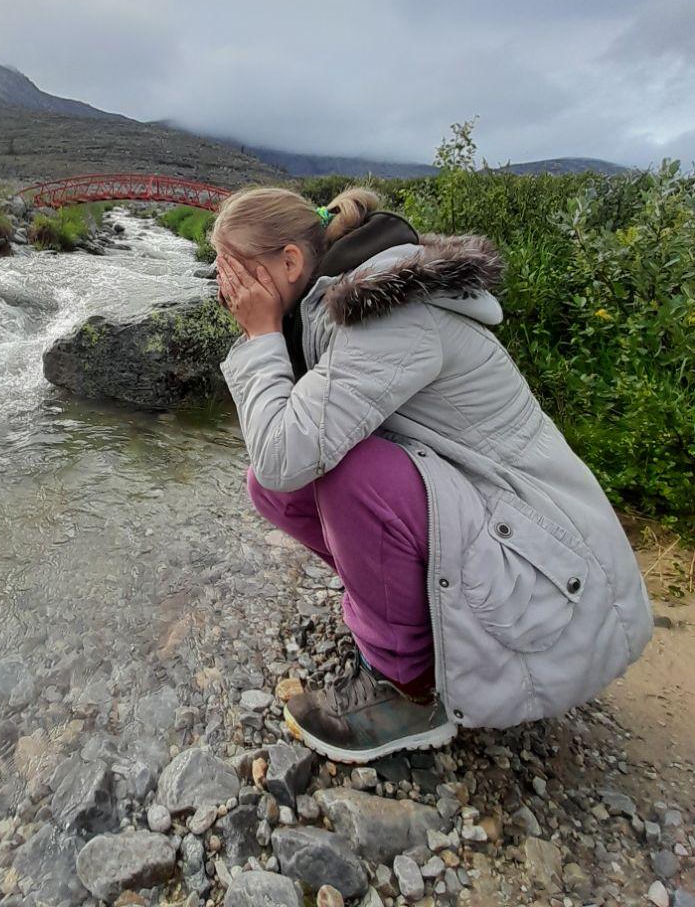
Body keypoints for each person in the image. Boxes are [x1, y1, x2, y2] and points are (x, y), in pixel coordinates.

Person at [210, 184, 653, 763]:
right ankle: (405, 626)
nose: (226, 291)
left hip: (562, 585)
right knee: (276, 487)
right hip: (512, 535)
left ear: (289, 263)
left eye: (235, 273)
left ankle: (407, 690)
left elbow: (282, 451)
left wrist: (262, 334)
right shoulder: (332, 307)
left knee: (347, 472)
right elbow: (281, 465)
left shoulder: (387, 317)